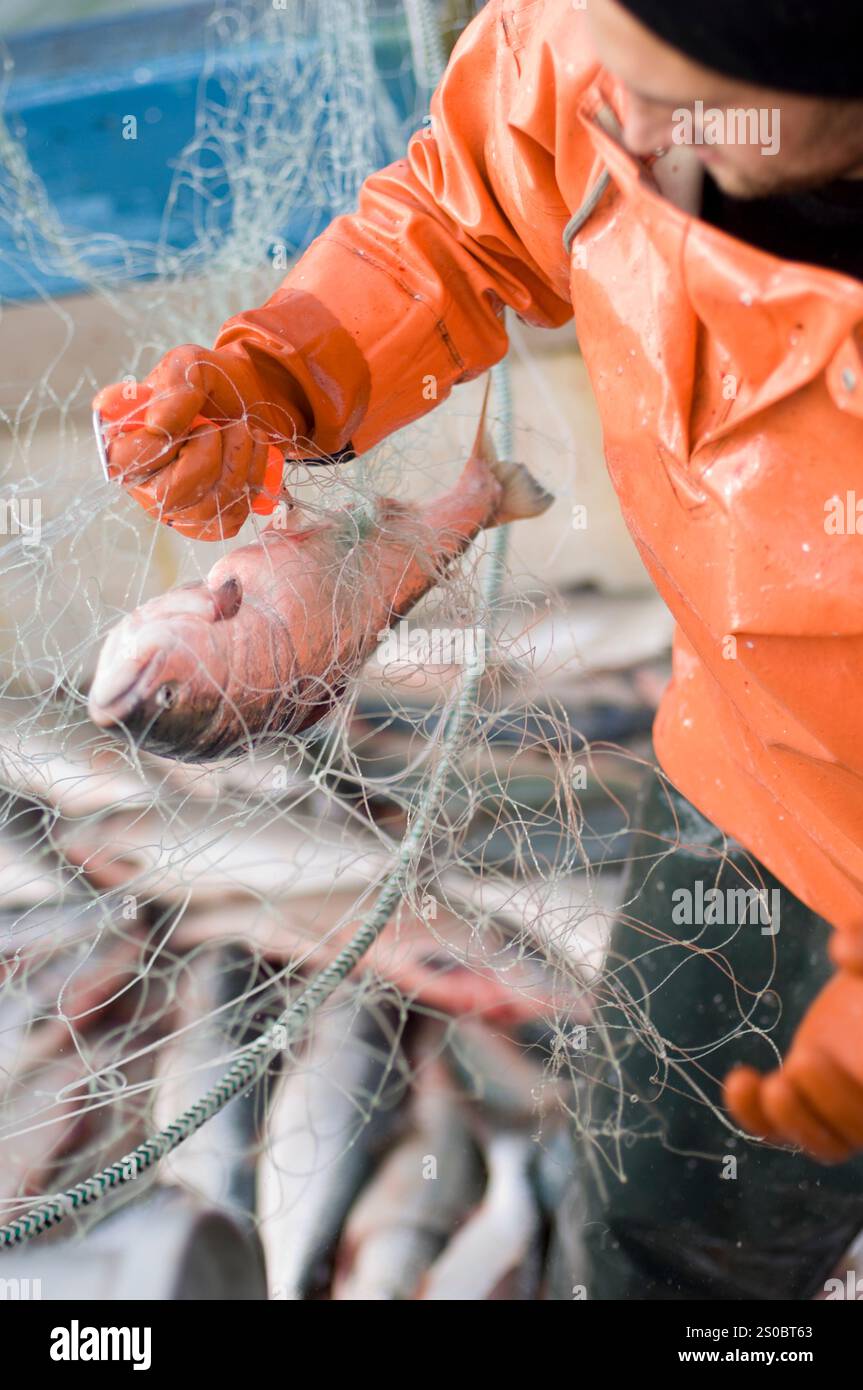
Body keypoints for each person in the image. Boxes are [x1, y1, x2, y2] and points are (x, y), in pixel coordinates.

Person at [94, 0, 863, 1298]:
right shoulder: (614, 50)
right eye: (618, 74)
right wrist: (276, 377)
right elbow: (458, 209)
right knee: (658, 1222)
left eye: (680, 109)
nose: (623, 125)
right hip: (740, 776)